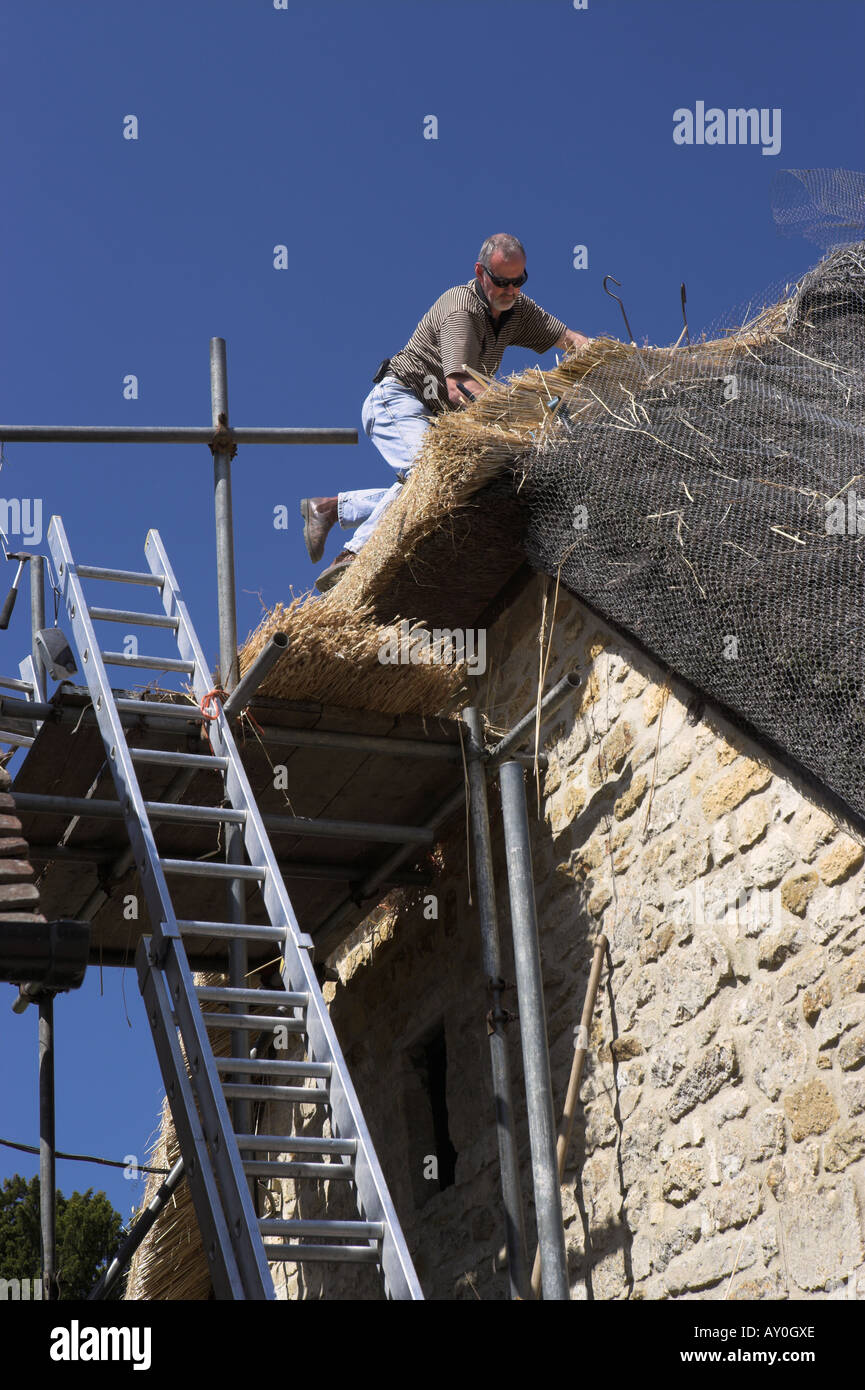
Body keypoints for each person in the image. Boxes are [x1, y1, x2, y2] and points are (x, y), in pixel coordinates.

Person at [302, 233, 591, 592]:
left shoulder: (517, 308)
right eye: (501, 282)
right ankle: (351, 556)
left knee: (450, 483)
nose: (509, 290)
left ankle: (331, 509)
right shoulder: (462, 308)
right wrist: (517, 417)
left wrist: (600, 354)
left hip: (430, 417)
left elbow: (567, 337)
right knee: (434, 471)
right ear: (480, 273)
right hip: (398, 400)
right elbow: (459, 386)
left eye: (518, 281)